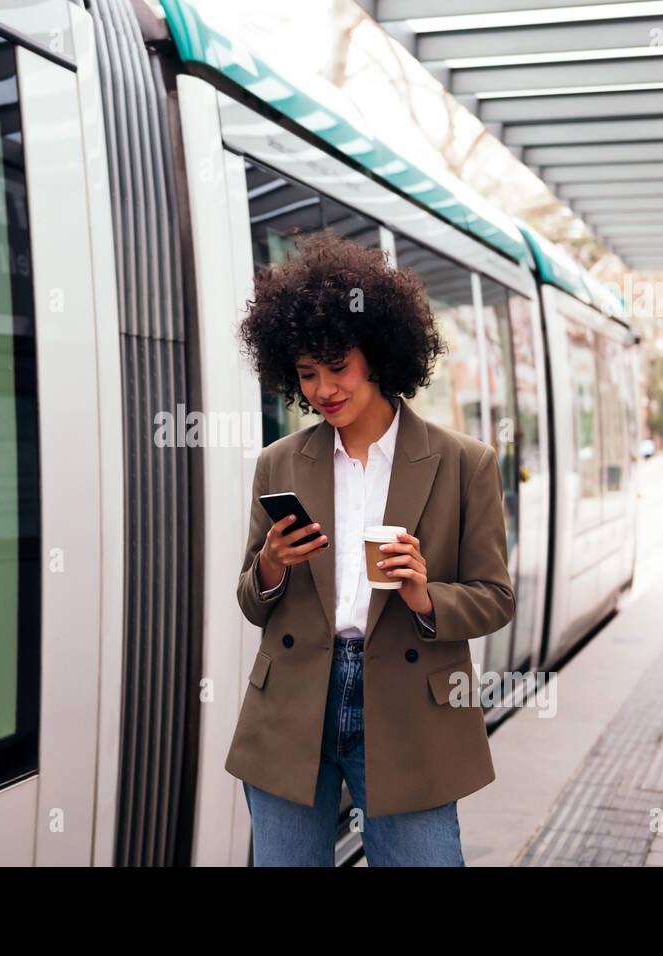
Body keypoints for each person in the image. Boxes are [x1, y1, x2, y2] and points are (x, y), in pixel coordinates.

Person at [226, 230, 514, 866]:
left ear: (379, 356)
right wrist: (271, 566)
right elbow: (251, 599)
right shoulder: (280, 463)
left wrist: (424, 592)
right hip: (293, 706)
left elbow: (495, 599)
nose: (324, 388)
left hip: (409, 707)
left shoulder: (465, 463)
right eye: (307, 374)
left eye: (338, 367)